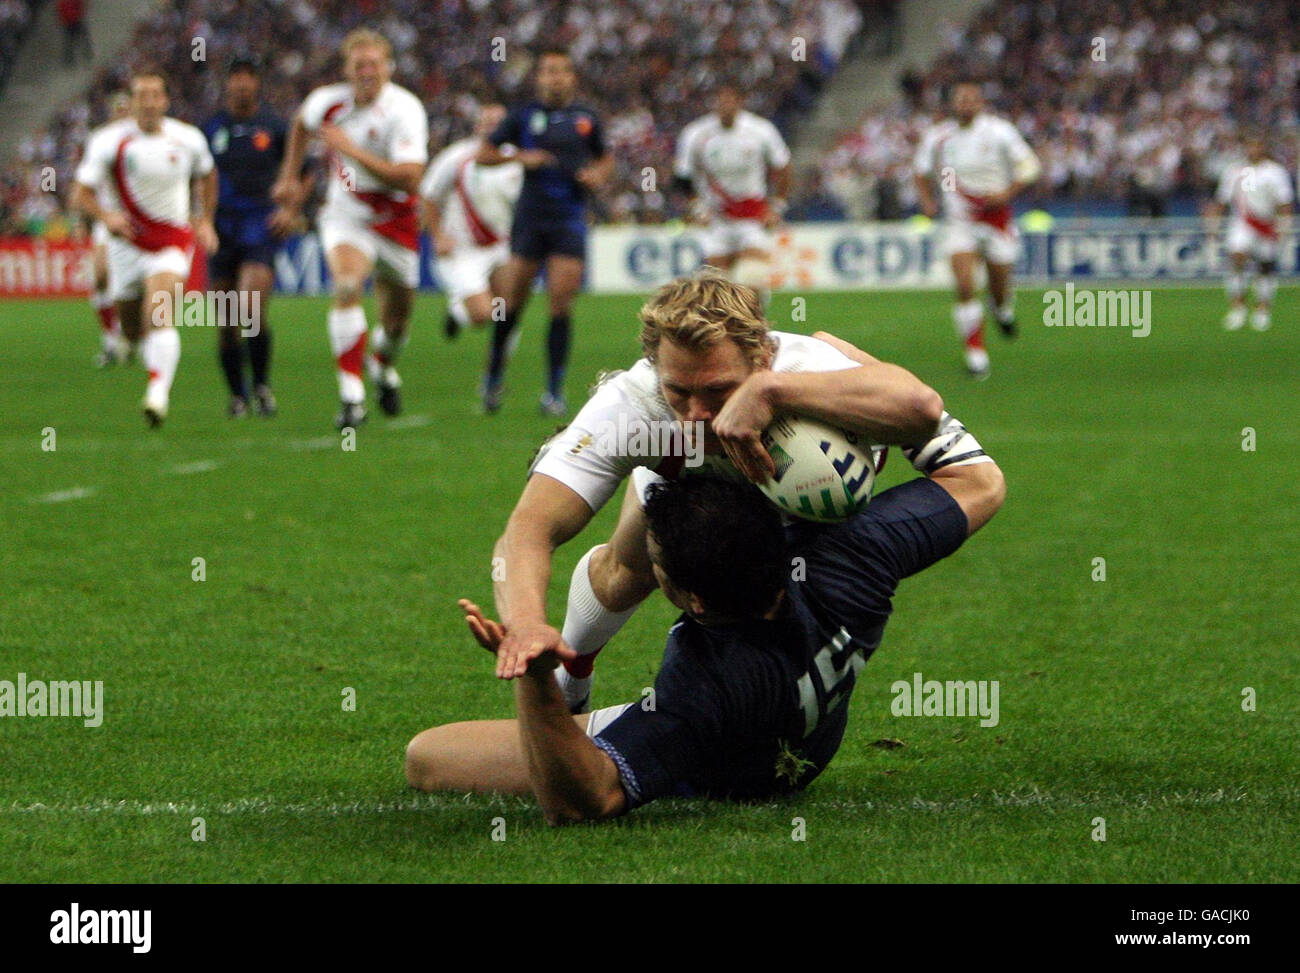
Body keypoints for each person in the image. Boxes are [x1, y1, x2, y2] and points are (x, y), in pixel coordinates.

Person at [406, 441, 1004, 824]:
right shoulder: (855, 556)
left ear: (688, 598)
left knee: (428, 756)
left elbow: (582, 801)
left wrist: (535, 679)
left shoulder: (701, 691)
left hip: (725, 761)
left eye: (656, 562)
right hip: (801, 744)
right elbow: (979, 480)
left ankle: (567, 680)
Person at [487, 268, 944, 715]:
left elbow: (923, 409)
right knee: (629, 569)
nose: (695, 415)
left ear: (763, 357)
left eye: (718, 390)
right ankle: (574, 673)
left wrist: (773, 392)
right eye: (678, 390)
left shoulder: (809, 367)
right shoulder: (632, 407)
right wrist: (525, 623)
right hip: (688, 482)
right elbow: (529, 527)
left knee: (791, 588)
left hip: (805, 510)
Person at [273, 29, 429, 429]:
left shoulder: (405, 110)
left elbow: (410, 178)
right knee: (345, 285)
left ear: (388, 67)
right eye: (359, 64)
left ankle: (381, 365)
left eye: (374, 63)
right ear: (346, 69)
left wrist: (350, 150)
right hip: (347, 214)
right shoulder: (327, 103)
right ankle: (351, 394)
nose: (367, 71)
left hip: (395, 220)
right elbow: (299, 126)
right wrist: (289, 177)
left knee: (396, 324)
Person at [71, 68, 218, 427]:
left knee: (159, 311)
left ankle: (157, 395)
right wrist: (106, 215)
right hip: (126, 244)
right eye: (141, 95)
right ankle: (123, 341)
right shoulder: (109, 141)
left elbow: (208, 174)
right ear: (132, 101)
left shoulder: (189, 138)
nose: (149, 102)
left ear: (166, 101)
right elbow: (80, 194)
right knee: (135, 328)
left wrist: (205, 219)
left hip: (171, 240)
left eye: (155, 95)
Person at [475, 47, 613, 416]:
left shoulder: (586, 118)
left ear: (571, 77)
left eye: (561, 71)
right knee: (512, 303)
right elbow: (484, 154)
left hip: (569, 218)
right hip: (530, 218)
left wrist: (597, 175)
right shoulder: (523, 116)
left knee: (561, 302)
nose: (555, 77)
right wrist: (520, 157)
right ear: (539, 78)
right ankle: (493, 377)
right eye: (548, 71)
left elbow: (605, 157)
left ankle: (553, 392)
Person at [913, 83, 1040, 379]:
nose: (966, 105)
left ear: (981, 103)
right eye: (961, 100)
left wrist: (1008, 192)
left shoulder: (999, 131)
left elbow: (1030, 166)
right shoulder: (938, 136)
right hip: (960, 221)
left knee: (998, 287)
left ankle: (1002, 309)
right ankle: (976, 354)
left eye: (971, 100)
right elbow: (920, 171)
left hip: (996, 218)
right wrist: (928, 201)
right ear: (953, 103)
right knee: (965, 285)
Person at [203, 56, 296, 418]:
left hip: (260, 225)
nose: (242, 84)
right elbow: (196, 174)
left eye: (248, 78)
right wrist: (200, 217)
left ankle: (261, 386)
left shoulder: (274, 126)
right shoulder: (210, 128)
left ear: (256, 83)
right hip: (221, 229)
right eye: (236, 78)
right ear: (228, 84)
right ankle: (238, 395)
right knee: (226, 323)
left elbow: (302, 173)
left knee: (250, 309)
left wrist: (290, 209)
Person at [673, 82, 791, 306]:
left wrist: (777, 207)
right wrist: (697, 210)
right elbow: (682, 177)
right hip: (717, 218)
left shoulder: (760, 130)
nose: (725, 106)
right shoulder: (696, 134)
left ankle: (755, 330)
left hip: (752, 216)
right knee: (718, 289)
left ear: (740, 102)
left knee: (751, 281)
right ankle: (727, 336)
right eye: (720, 100)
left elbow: (784, 167)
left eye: (730, 100)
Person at [419, 103, 522, 341]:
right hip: (464, 250)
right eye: (488, 122)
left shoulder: (516, 159)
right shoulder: (458, 157)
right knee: (483, 315)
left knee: (505, 312)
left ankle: (495, 373)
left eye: (499, 124)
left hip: (501, 246)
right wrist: (437, 235)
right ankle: (458, 312)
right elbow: (428, 195)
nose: (493, 128)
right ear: (478, 126)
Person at [1206, 132, 1293, 332]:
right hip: (1242, 223)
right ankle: (1238, 307)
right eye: (1250, 145)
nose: (1253, 149)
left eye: (1257, 145)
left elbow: (1284, 203)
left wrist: (1284, 227)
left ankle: (1263, 308)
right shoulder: (1234, 171)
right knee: (1237, 258)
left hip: (1266, 224)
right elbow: (1221, 200)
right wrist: (1213, 224)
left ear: (1264, 147)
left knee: (1264, 266)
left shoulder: (1275, 172)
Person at [87, 90, 131, 367]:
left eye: (126, 107)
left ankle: (133, 338)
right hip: (107, 216)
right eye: (118, 108)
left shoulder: (142, 139)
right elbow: (87, 181)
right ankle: (110, 340)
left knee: (131, 285)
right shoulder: (99, 140)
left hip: (137, 220)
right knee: (100, 276)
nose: (122, 112)